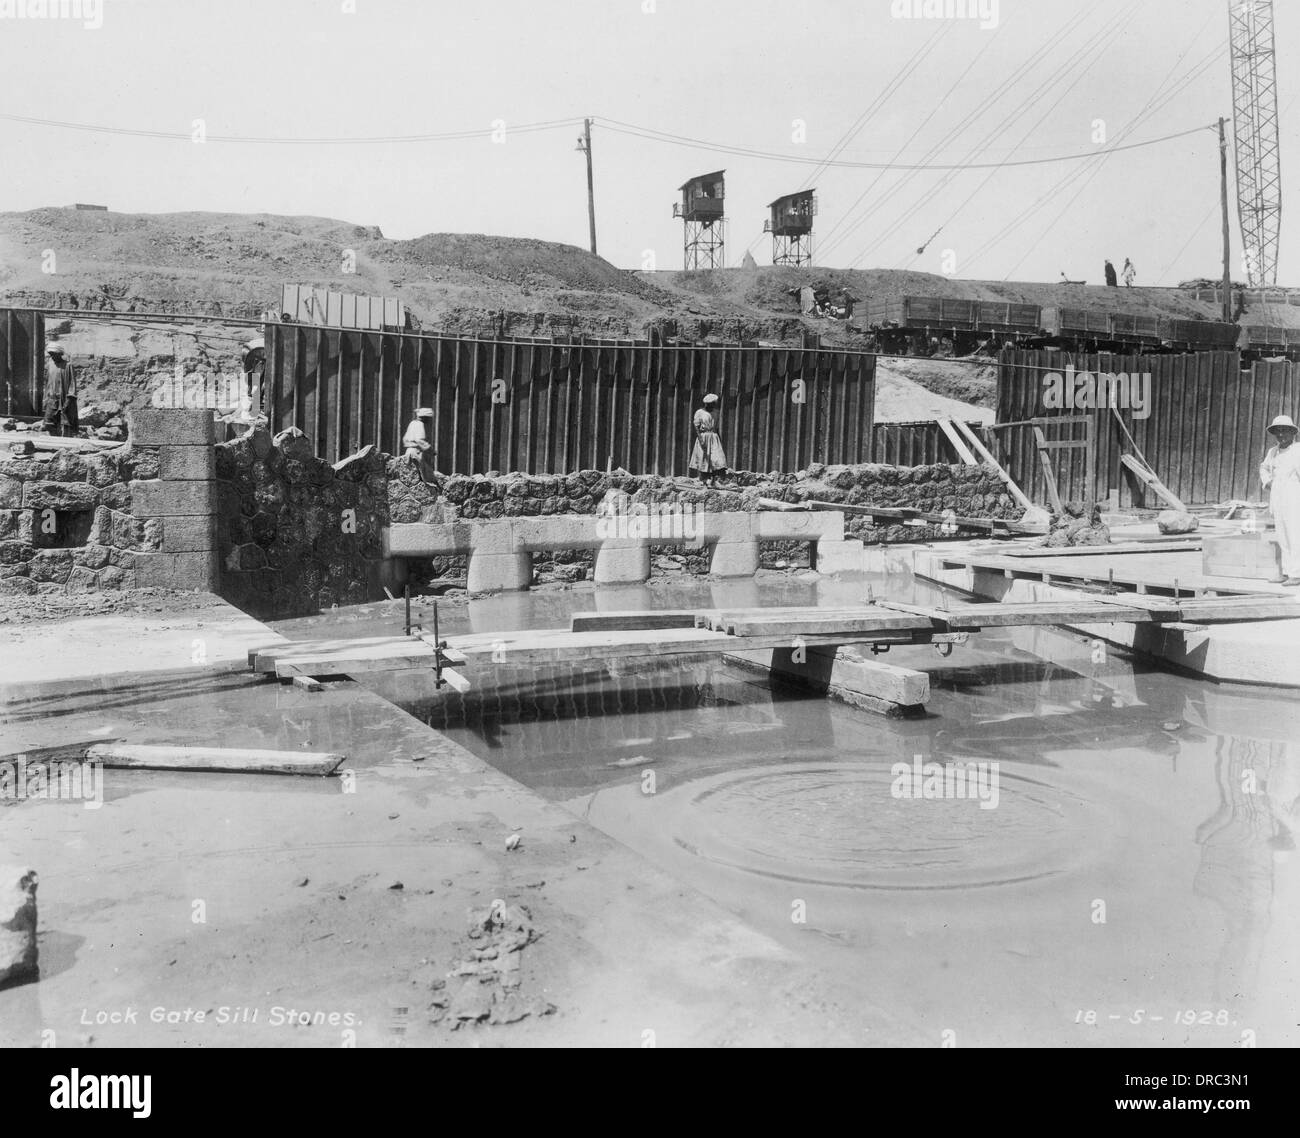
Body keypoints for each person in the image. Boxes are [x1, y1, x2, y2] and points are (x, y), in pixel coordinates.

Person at [1259, 414, 1300, 586]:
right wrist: (1268, 482)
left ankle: (1296, 574)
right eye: (1278, 432)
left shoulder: (1297, 450)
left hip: (1294, 496)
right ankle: (1285, 572)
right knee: (1282, 535)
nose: (1281, 435)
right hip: (1278, 497)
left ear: (1292, 433)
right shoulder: (1273, 452)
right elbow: (1264, 467)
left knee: (1294, 534)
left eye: (1285, 431)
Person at [689, 393, 728, 485]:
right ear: (707, 404)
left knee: (717, 459)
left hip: (714, 437)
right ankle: (704, 482)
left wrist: (719, 439)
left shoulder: (716, 412)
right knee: (704, 459)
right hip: (704, 436)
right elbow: (696, 427)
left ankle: (714, 480)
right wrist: (701, 440)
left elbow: (717, 427)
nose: (713, 406)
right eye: (711, 404)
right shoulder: (699, 413)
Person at [41, 343, 78, 436]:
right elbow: (48, 383)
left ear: (59, 354)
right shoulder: (50, 365)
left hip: (65, 399)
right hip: (52, 399)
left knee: (66, 423)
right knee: (49, 423)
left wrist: (70, 398)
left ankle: (66, 444)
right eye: (51, 354)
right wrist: (46, 399)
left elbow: (72, 383)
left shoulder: (68, 366)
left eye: (54, 354)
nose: (52, 356)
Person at [403, 407, 435, 478]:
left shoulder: (412, 423)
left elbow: (405, 439)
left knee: (410, 474)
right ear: (425, 417)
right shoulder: (420, 424)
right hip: (416, 453)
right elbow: (419, 440)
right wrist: (430, 449)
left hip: (409, 452)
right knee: (422, 475)